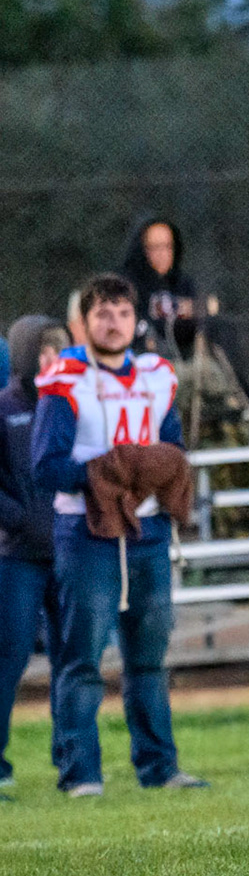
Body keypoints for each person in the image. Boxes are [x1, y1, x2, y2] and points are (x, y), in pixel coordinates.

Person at [31, 274, 207, 795]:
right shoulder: (64, 379)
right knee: (83, 658)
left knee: (149, 658)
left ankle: (160, 767)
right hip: (86, 533)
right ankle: (81, 774)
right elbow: (46, 466)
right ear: (83, 322)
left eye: (123, 313)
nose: (114, 323)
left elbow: (171, 449)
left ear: (136, 321)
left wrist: (146, 474)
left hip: (148, 531)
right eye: (102, 313)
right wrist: (106, 475)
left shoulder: (156, 376)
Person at [0, 317, 64, 788]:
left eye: (57, 349)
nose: (50, 359)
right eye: (41, 350)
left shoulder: (68, 403)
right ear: (23, 355)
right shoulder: (5, 409)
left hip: (70, 552)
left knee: (72, 659)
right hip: (17, 556)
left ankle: (75, 763)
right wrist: (18, 519)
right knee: (10, 658)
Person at [120, 216, 197, 359]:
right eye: (155, 247)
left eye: (168, 246)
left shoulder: (183, 284)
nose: (162, 254)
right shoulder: (125, 285)